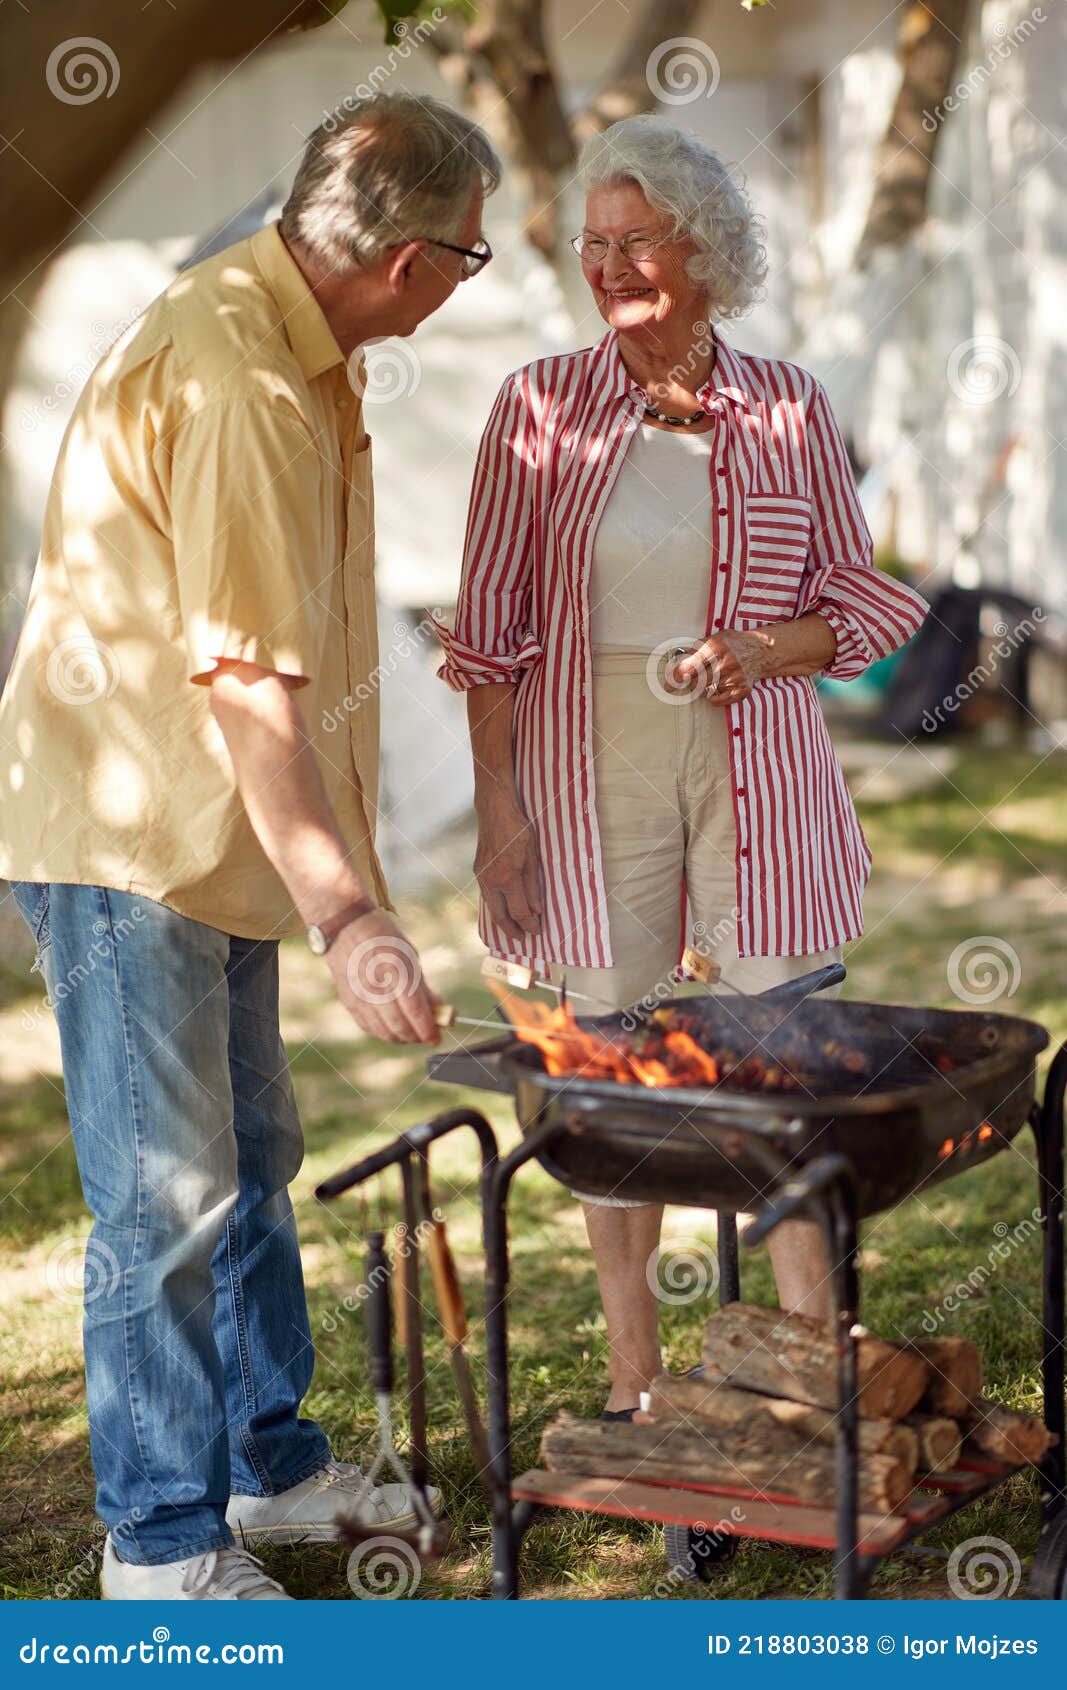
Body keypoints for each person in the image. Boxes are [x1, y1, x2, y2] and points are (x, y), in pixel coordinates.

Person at [0, 92, 500, 1600]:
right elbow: (243, 676)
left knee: (253, 1161)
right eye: (470, 261)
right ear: (411, 263)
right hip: (128, 835)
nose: (466, 284)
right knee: (162, 1194)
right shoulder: (238, 375)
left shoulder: (296, 353)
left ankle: (264, 1462)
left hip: (214, 841)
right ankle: (159, 1543)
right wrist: (351, 914)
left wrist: (338, 887)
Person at [436, 116, 927, 1418]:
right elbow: (486, 643)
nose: (608, 266)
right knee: (611, 1082)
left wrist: (768, 646)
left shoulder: (788, 408)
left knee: (777, 1069)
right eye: (593, 245)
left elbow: (867, 606)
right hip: (590, 790)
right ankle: (639, 1368)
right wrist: (502, 821)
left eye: (633, 239)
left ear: (702, 248)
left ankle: (818, 1360)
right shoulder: (537, 410)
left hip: (755, 783)